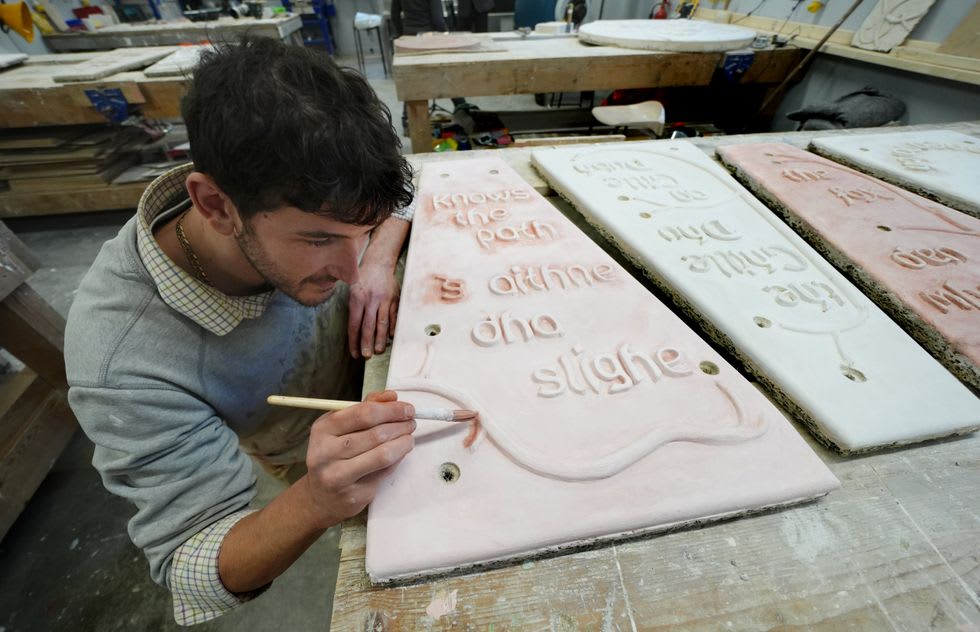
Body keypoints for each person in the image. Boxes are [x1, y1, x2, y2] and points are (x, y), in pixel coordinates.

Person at [65, 36, 418, 625]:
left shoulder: (332, 204)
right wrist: (315, 499)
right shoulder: (122, 361)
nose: (349, 273)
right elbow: (190, 566)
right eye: (318, 239)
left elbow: (402, 192)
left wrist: (381, 251)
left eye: (361, 231)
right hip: (311, 452)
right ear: (216, 206)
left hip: (386, 369)